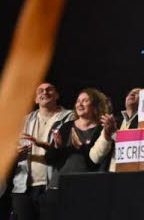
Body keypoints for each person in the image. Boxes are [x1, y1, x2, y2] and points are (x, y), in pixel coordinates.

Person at [43, 88, 117, 219]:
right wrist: (56, 147)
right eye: (78, 101)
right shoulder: (66, 126)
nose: (80, 104)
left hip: (85, 190)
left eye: (85, 100)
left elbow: (94, 162)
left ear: (95, 105)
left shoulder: (101, 130)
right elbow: (50, 160)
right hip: (58, 187)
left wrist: (81, 147)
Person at [13, 82, 75, 220]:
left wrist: (42, 144)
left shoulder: (70, 117)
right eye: (40, 91)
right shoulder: (24, 120)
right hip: (24, 186)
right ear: (35, 99)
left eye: (49, 90)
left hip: (53, 185)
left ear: (57, 95)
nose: (44, 92)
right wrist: (15, 153)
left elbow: (69, 150)